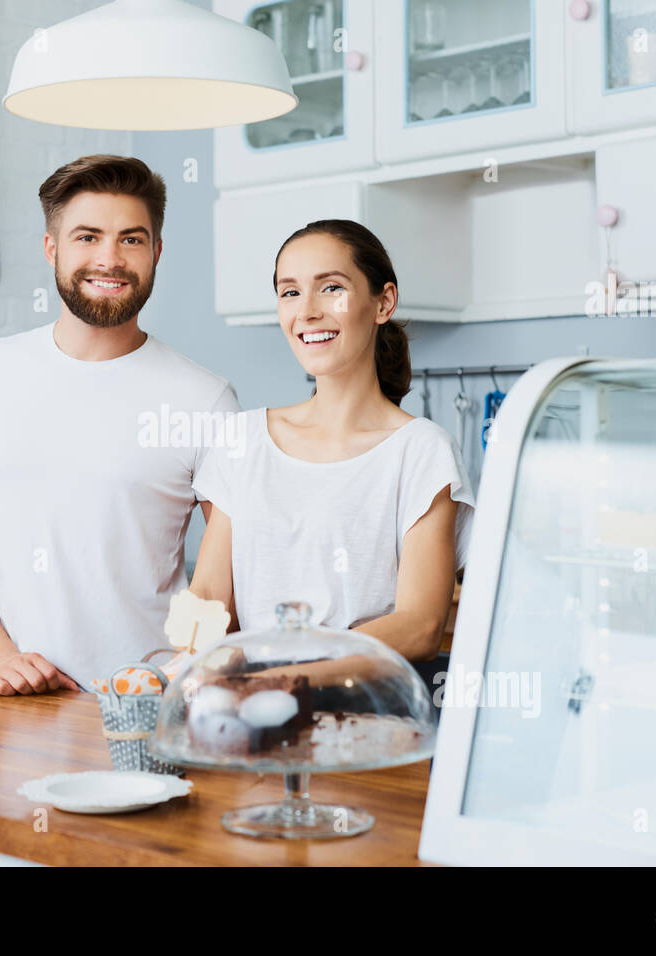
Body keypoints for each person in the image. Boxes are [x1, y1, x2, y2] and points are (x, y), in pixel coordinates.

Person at [0, 155, 240, 695]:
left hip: (147, 708)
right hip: (11, 703)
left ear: (157, 252)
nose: (110, 259)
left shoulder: (205, 399)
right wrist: (1, 658)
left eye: (132, 239)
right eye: (88, 237)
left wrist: (173, 673)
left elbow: (236, 564)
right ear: (53, 248)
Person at [188, 219, 475, 674]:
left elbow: (420, 627)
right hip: (252, 712)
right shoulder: (241, 440)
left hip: (366, 718)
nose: (307, 311)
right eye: (290, 292)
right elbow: (207, 595)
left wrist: (288, 677)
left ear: (384, 302)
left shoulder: (421, 452)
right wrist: (181, 670)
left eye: (331, 288)